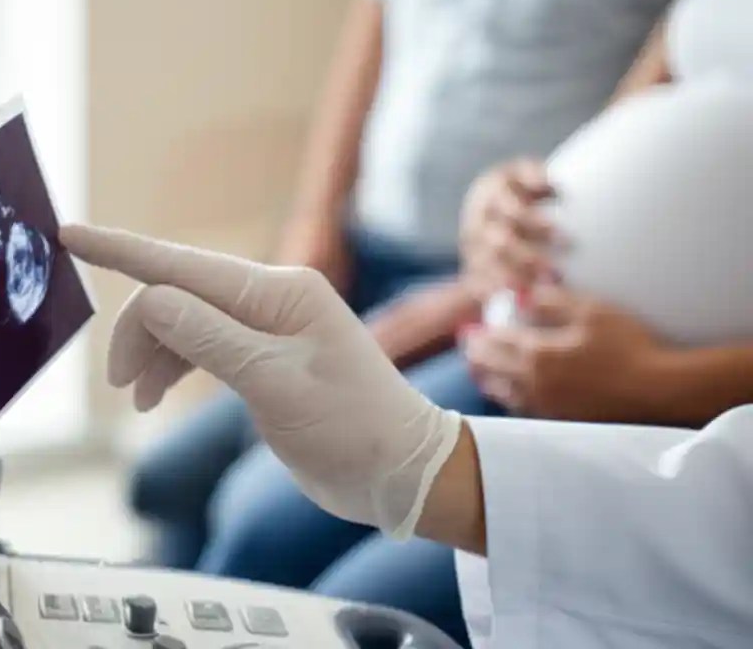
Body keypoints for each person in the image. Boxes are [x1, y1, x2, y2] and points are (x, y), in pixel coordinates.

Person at [130, 0, 717, 641]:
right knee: (169, 482)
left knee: (276, 537)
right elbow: (374, 22)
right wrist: (316, 228)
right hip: (381, 248)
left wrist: (469, 295)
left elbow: (613, 160)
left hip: (510, 305)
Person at [61, 221, 753, 648]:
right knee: (257, 517)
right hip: (512, 330)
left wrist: (657, 379)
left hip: (665, 409)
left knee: (348, 615)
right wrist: (493, 212)